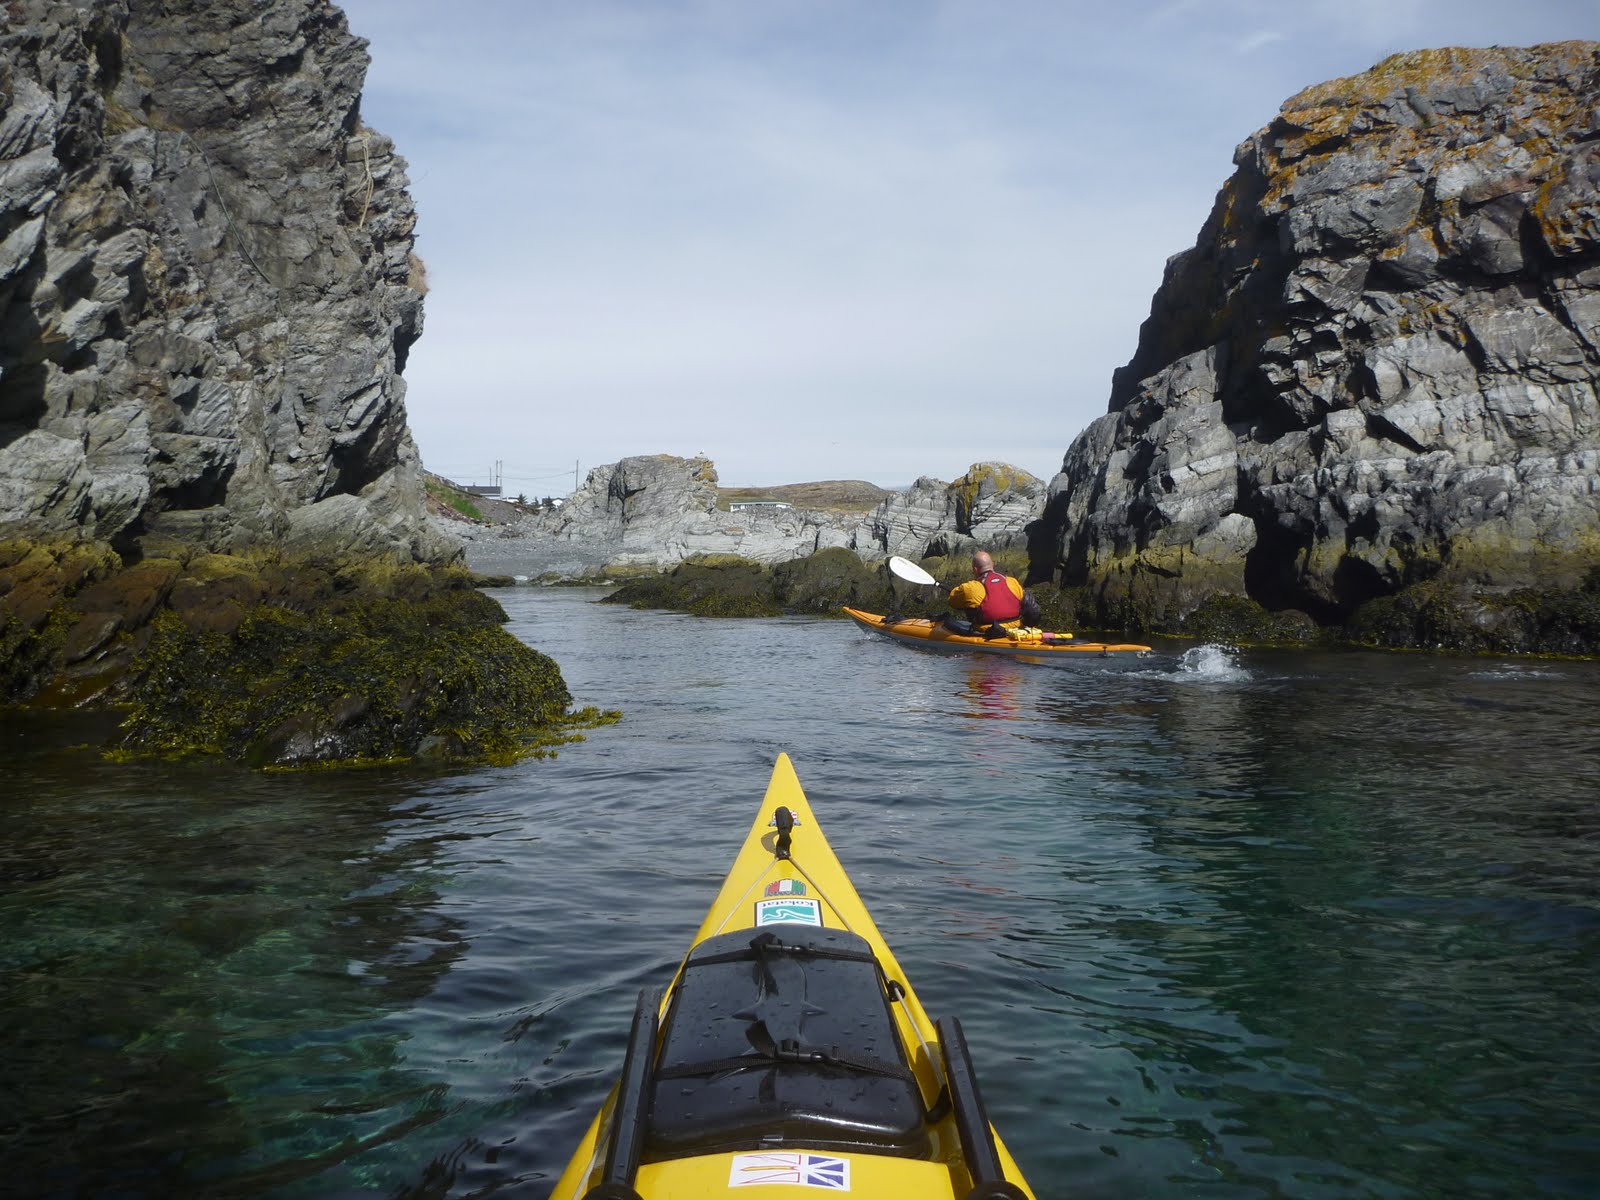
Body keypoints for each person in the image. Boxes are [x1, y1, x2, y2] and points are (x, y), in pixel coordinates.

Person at [945, 551, 1041, 637]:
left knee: (946, 622)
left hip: (987, 632)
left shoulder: (970, 588)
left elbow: (952, 602)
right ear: (993, 565)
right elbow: (1033, 609)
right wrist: (1027, 626)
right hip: (1016, 630)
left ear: (975, 569)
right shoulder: (1012, 582)